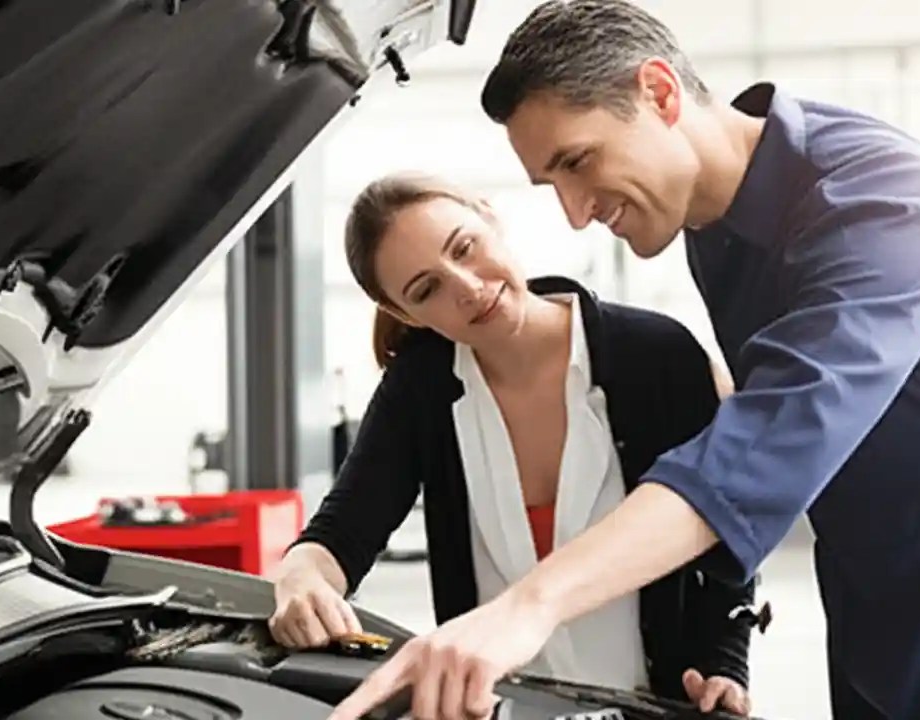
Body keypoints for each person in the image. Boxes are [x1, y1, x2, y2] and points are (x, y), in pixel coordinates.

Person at [328, 2, 920, 720]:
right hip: (872, 605)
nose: (576, 216)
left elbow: (762, 446)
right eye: (551, 186)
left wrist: (527, 607)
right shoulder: (711, 228)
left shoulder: (881, 206)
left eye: (578, 162)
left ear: (657, 91)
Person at [268, 171, 755, 716]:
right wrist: (299, 576)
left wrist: (725, 665)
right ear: (408, 315)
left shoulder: (659, 355)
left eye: (465, 248)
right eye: (427, 289)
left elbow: (723, 528)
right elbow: (343, 531)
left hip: (656, 702)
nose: (468, 288)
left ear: (489, 215)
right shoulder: (420, 387)